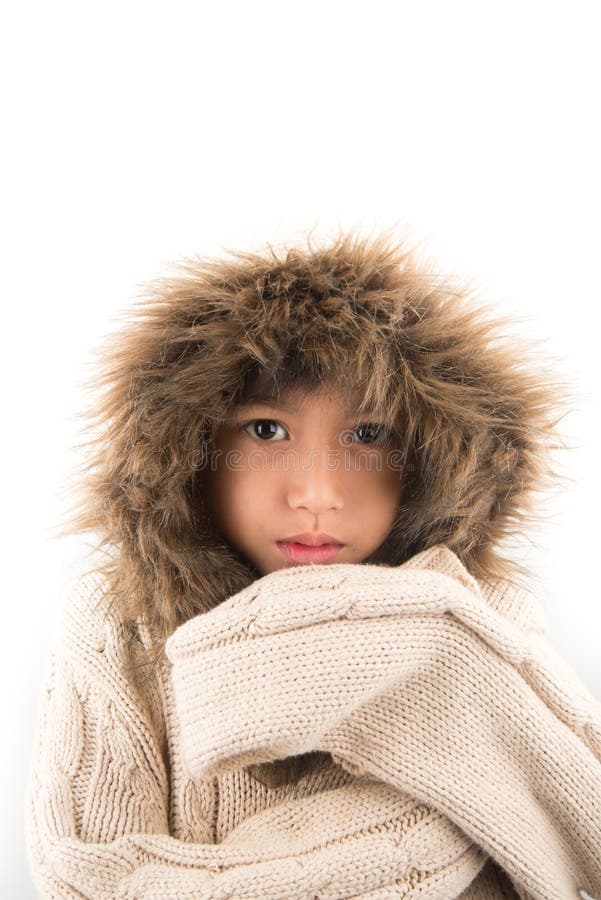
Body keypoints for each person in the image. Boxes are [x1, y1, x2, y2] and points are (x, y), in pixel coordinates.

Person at [24, 228, 601, 898]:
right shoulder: (119, 627)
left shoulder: (476, 629)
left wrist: (444, 656)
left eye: (367, 435)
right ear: (191, 450)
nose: (317, 496)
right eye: (266, 431)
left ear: (427, 460)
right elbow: (81, 874)